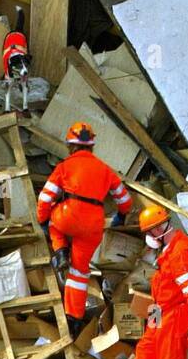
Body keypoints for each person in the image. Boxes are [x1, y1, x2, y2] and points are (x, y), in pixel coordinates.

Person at [36, 121, 132, 331]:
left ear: (71, 145)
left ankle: (60, 251)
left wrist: (43, 220)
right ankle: (74, 318)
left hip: (68, 216)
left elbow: (44, 198)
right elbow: (125, 200)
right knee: (79, 272)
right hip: (93, 226)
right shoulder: (105, 170)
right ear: (92, 146)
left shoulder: (64, 167)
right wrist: (121, 217)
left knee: (52, 220)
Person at [131, 205, 188, 359]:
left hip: (174, 317)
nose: (148, 238)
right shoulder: (168, 250)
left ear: (158, 229)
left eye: (148, 233)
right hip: (158, 312)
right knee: (144, 356)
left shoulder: (180, 252)